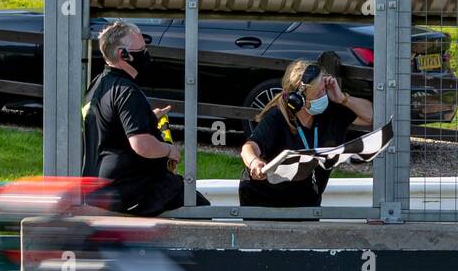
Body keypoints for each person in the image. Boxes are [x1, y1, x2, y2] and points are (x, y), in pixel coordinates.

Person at [81, 20, 209, 216]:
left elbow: (109, 125)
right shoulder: (126, 91)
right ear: (123, 54)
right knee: (200, 208)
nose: (146, 53)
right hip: (130, 191)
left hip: (99, 189)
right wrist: (169, 150)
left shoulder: (97, 85)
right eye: (141, 49)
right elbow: (142, 145)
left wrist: (148, 118)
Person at [238, 56, 373, 208]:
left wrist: (342, 98)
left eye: (324, 90)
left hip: (306, 200)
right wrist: (254, 162)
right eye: (318, 93)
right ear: (298, 100)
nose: (324, 96)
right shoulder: (277, 117)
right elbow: (249, 147)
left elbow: (371, 117)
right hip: (264, 200)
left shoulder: (332, 110)